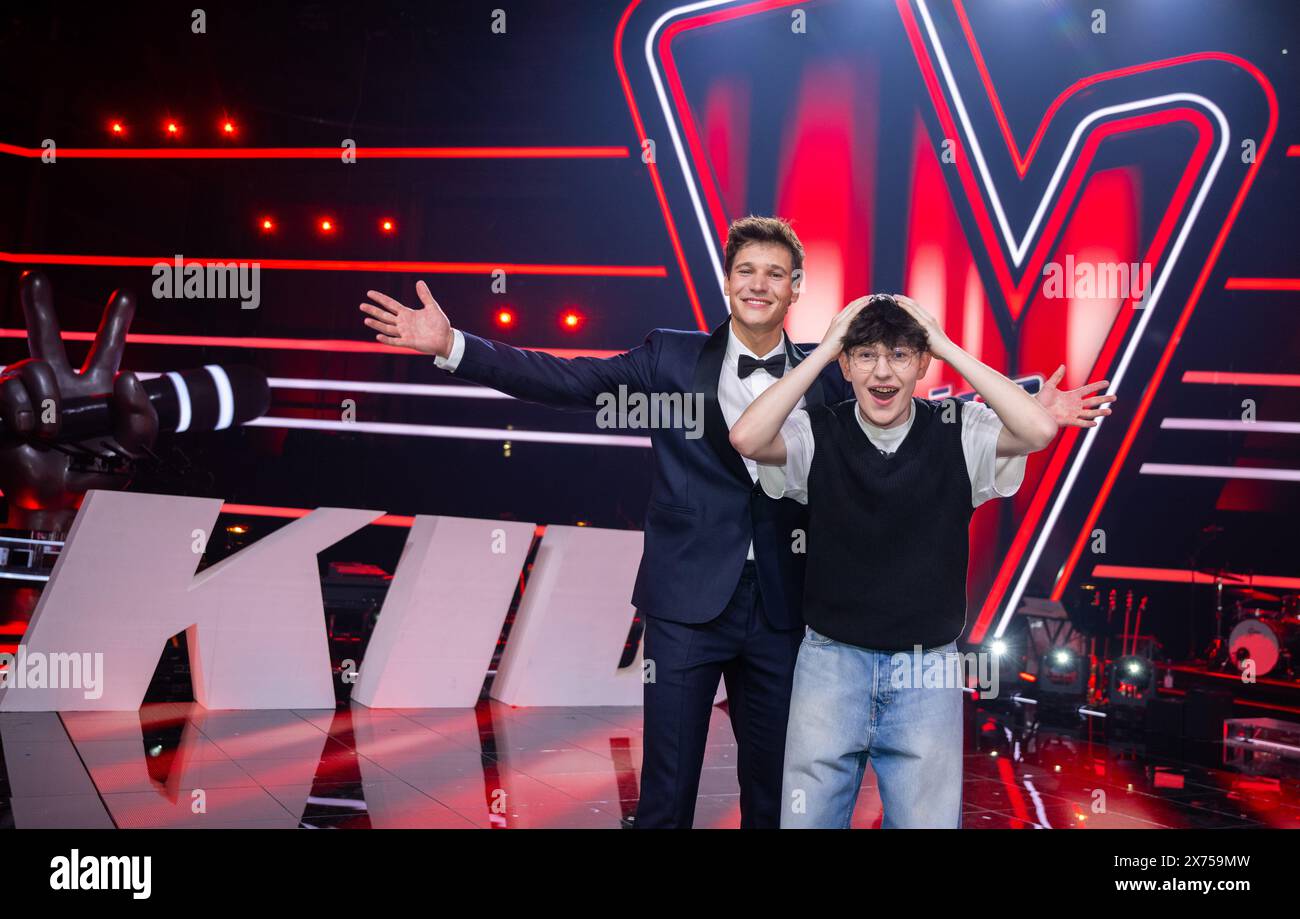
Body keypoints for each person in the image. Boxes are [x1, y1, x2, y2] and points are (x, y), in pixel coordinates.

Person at [360, 219, 1112, 828]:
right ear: (728, 280)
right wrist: (454, 348)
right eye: (744, 269)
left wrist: (1033, 397)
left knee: (777, 796)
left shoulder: (830, 368)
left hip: (791, 614)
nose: (757, 283)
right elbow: (568, 380)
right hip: (687, 604)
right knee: (666, 794)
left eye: (774, 272)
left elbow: (916, 388)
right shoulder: (669, 356)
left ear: (795, 288)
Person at [729, 293, 1074, 828]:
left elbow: (1039, 430)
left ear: (921, 364)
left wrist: (944, 343)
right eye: (865, 355)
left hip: (927, 669)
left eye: (900, 354)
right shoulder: (817, 431)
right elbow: (747, 437)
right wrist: (823, 351)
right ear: (846, 366)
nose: (882, 371)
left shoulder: (960, 428)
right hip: (829, 663)